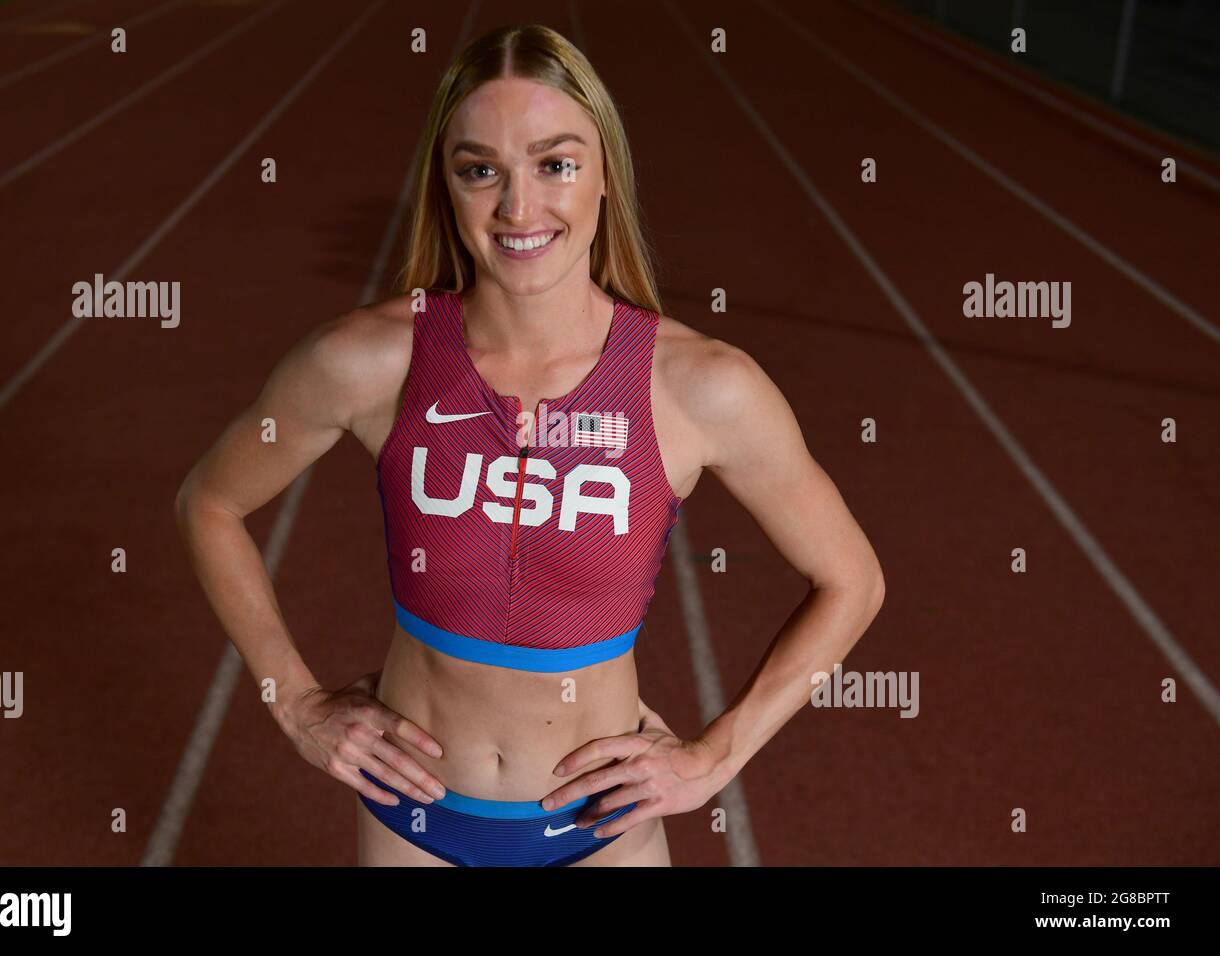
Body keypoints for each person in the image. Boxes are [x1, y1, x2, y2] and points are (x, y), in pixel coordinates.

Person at [174, 23, 884, 867]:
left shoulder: (700, 386)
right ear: (445, 186)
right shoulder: (369, 362)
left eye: (555, 164)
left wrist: (717, 756)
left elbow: (853, 580)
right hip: (417, 826)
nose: (519, 208)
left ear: (606, 176)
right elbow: (209, 503)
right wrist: (294, 703)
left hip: (600, 834)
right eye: (482, 170)